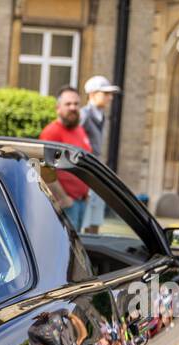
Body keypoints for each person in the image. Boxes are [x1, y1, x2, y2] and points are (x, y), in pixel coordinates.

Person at [39, 87, 92, 231]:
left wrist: (86, 192)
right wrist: (62, 197)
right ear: (58, 108)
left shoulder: (79, 131)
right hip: (66, 204)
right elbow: (45, 170)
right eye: (68, 104)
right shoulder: (51, 133)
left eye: (76, 104)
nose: (73, 107)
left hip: (81, 201)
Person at [79, 76, 120, 233]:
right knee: (85, 221)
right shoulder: (83, 115)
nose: (110, 97)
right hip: (85, 172)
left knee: (96, 219)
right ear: (93, 94)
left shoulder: (102, 116)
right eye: (105, 93)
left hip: (96, 171)